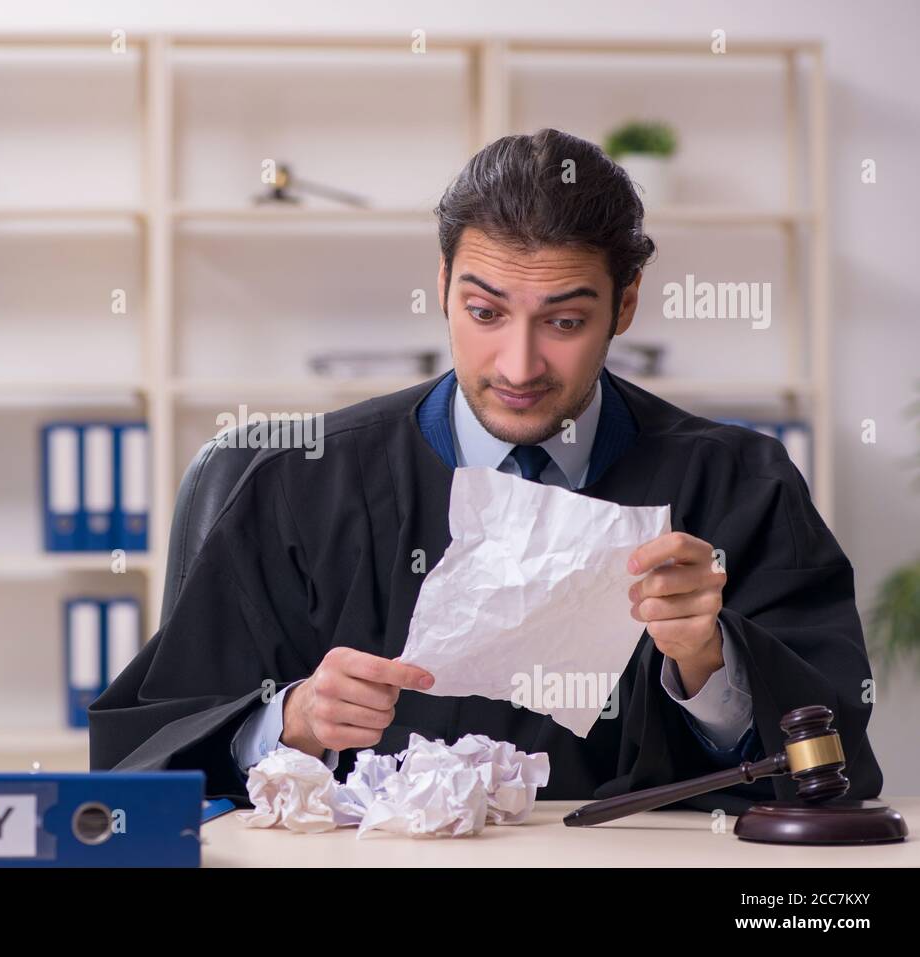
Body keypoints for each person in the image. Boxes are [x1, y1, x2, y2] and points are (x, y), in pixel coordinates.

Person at [89, 128, 883, 814]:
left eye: (565, 321)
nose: (520, 363)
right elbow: (137, 753)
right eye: (485, 311)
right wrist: (287, 720)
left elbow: (833, 765)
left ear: (627, 303)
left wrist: (710, 661)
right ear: (440, 286)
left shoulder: (739, 483)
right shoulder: (300, 482)